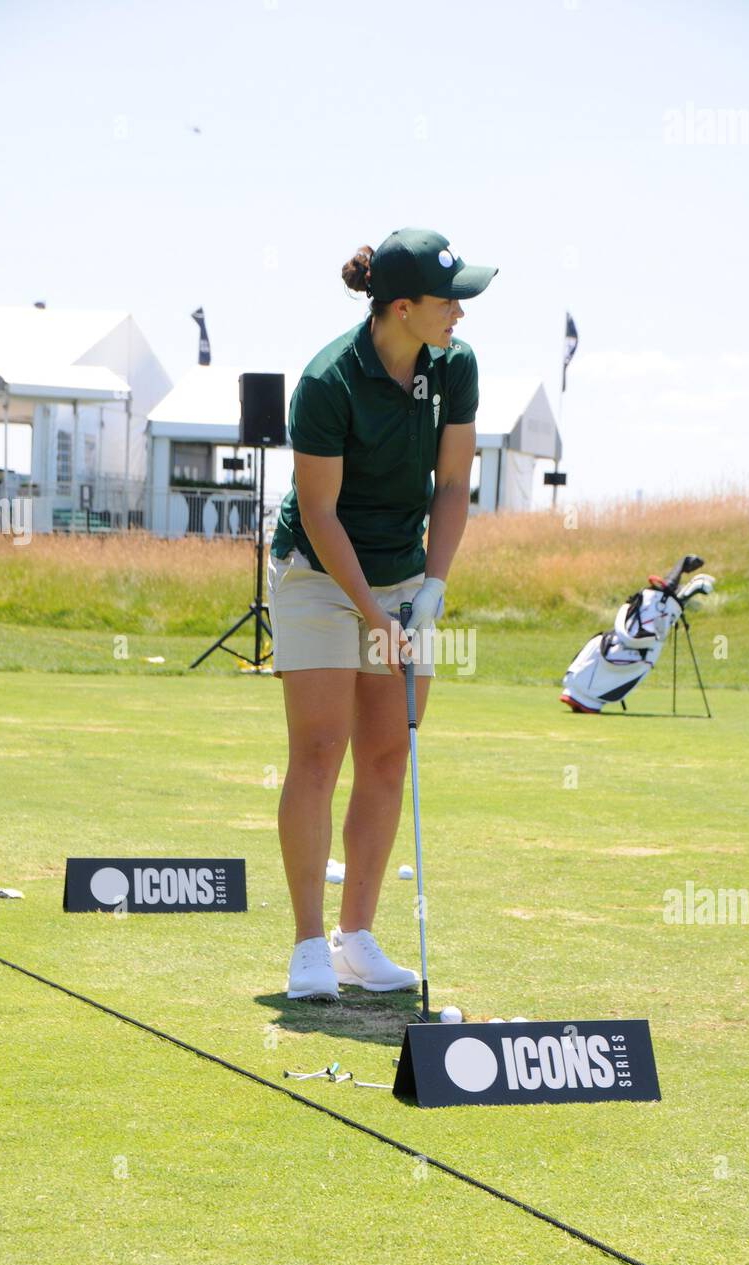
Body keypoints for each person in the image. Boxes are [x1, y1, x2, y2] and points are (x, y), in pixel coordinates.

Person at [267, 227, 498, 1001]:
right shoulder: (328, 381)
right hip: (320, 574)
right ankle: (307, 947)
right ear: (402, 307)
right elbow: (320, 511)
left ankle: (356, 939)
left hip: (403, 574)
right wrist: (372, 612)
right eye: (448, 301)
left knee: (388, 753)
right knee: (321, 747)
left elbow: (452, 486)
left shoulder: (454, 365)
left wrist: (431, 586)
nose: (459, 314)